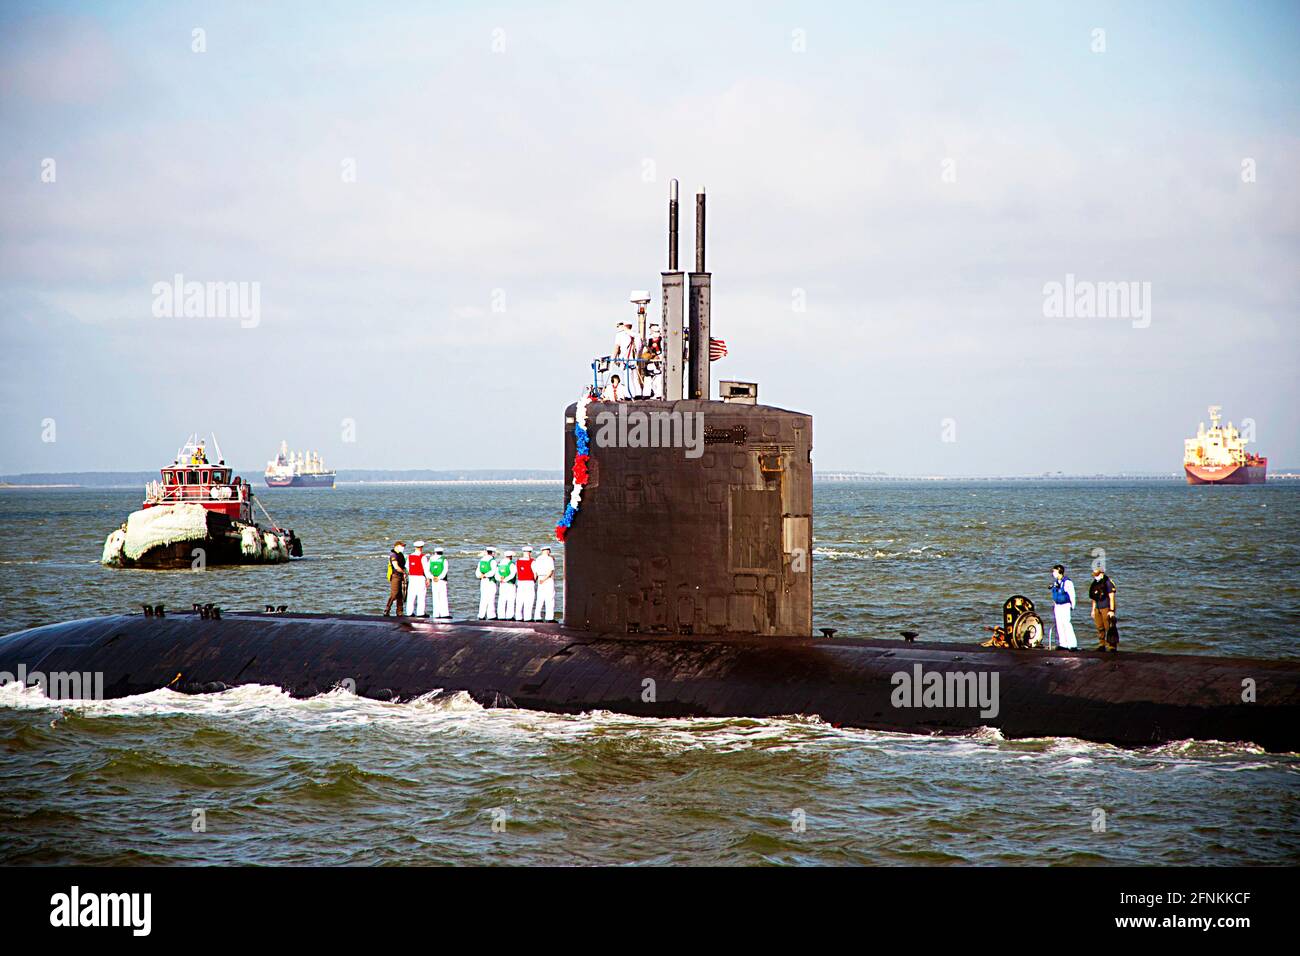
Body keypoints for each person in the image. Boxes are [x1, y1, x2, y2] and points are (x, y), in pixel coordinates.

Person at [1089, 567, 1119, 651]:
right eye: (1094, 575)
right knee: (1100, 627)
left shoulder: (1108, 583)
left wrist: (1112, 610)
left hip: (1106, 607)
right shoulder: (1095, 583)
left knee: (1109, 627)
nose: (1095, 576)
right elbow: (1094, 598)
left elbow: (1111, 597)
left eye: (1097, 575)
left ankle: (1112, 646)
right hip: (1098, 608)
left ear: (1102, 574)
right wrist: (1093, 609)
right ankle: (1101, 644)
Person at [1049, 564, 1078, 650]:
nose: (1053, 573)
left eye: (1054, 571)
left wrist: (1072, 606)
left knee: (1066, 624)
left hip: (1065, 605)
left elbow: (1072, 594)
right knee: (1059, 624)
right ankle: (1063, 644)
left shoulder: (1067, 582)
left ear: (1059, 572)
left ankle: (1072, 644)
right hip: (1057, 605)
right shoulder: (1056, 582)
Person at [405, 541, 429, 617]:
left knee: (411, 595)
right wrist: (428, 578)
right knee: (421, 595)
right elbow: (426, 569)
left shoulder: (409, 556)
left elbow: (407, 567)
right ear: (421, 547)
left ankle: (409, 612)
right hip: (420, 577)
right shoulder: (423, 557)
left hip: (412, 577)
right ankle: (420, 612)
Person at [533, 545, 556, 621]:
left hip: (540, 578)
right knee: (549, 599)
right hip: (547, 579)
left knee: (540, 599)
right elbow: (551, 571)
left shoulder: (538, 559)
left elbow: (535, 571)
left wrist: (537, 580)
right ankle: (549, 617)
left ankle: (537, 617)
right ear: (548, 551)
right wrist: (545, 579)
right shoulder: (549, 559)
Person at [384, 541, 407, 616]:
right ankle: (387, 609)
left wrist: (404, 572)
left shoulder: (401, 554)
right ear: (396, 546)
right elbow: (396, 566)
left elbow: (403, 566)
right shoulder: (393, 554)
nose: (403, 548)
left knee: (400, 594)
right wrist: (404, 572)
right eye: (402, 546)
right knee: (394, 594)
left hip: (401, 575)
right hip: (395, 576)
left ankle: (399, 611)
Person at [429, 547, 451, 620]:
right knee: (443, 596)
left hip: (433, 580)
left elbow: (427, 570)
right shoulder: (444, 559)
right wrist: (439, 577)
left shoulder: (431, 559)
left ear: (435, 552)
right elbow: (445, 570)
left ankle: (436, 614)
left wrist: (432, 577)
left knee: (435, 597)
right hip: (442, 580)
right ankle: (444, 614)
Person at [515, 546, 536, 621]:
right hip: (529, 582)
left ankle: (518, 617)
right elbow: (535, 573)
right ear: (530, 552)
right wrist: (534, 580)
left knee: (519, 600)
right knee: (529, 600)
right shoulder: (532, 561)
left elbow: (516, 572)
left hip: (520, 582)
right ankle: (528, 617)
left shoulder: (517, 561)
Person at [495, 550, 517, 619]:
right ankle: (509, 616)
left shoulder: (500, 564)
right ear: (511, 557)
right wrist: (505, 580)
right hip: (510, 584)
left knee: (502, 599)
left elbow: (497, 574)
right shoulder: (511, 564)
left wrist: (500, 579)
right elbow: (512, 574)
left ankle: (501, 616)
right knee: (511, 600)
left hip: (502, 584)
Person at [476, 547, 497, 619]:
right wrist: (486, 575)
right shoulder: (492, 561)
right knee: (491, 598)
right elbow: (493, 571)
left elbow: (477, 572)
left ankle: (481, 615)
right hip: (490, 581)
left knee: (483, 598)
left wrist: (481, 576)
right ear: (492, 553)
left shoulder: (481, 560)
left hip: (483, 581)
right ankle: (491, 615)